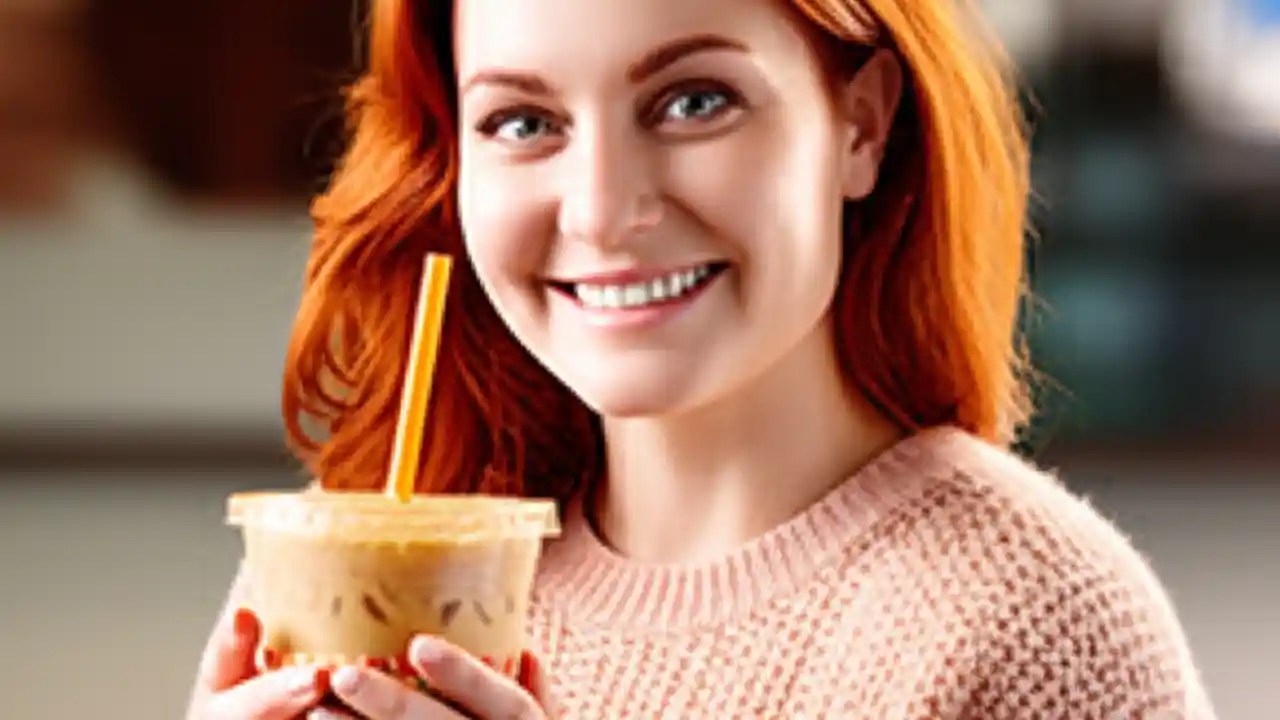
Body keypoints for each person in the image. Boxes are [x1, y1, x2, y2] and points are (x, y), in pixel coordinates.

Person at [186, 0, 1218, 717]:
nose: (599, 210)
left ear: (860, 123)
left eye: (692, 102)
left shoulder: (1030, 624)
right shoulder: (366, 576)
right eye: (522, 121)